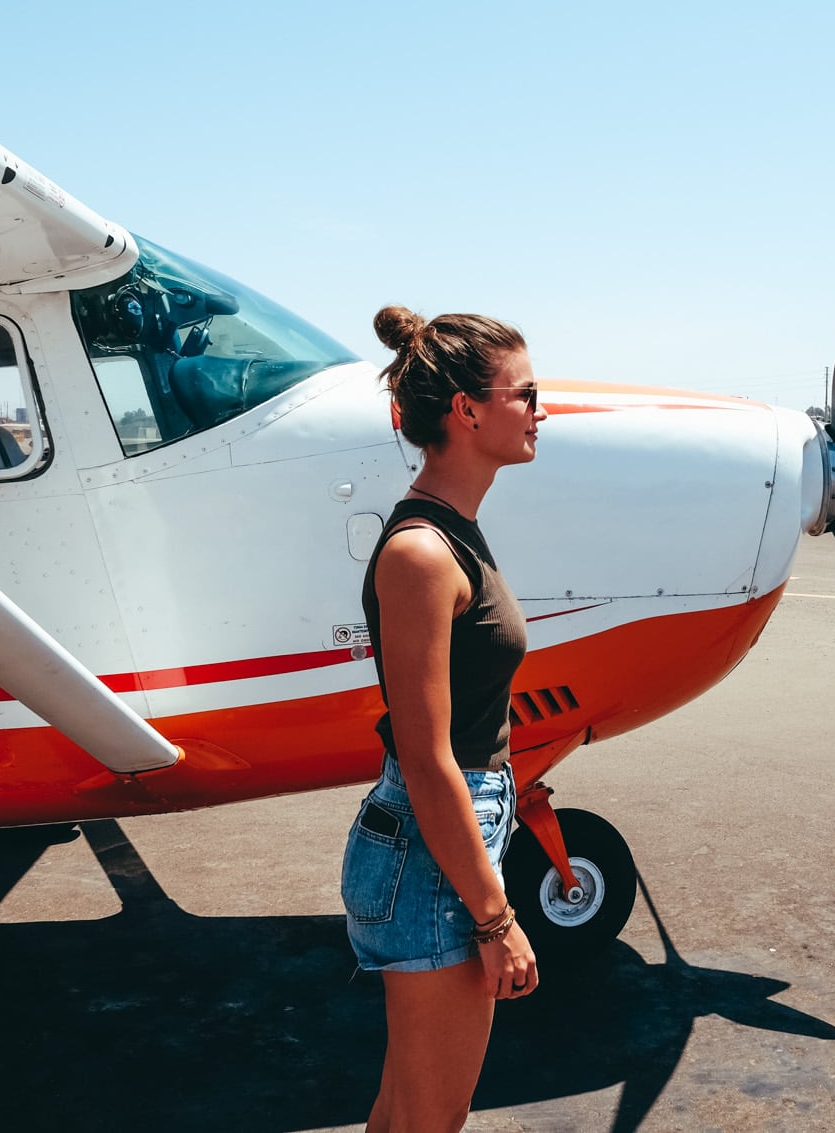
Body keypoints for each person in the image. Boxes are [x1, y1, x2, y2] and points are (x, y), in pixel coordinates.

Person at [342, 304, 548, 1133]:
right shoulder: (422, 553)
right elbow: (428, 761)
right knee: (431, 1121)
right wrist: (496, 918)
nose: (542, 410)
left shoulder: (454, 532)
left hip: (447, 837)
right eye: (526, 393)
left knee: (405, 1118)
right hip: (436, 851)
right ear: (466, 410)